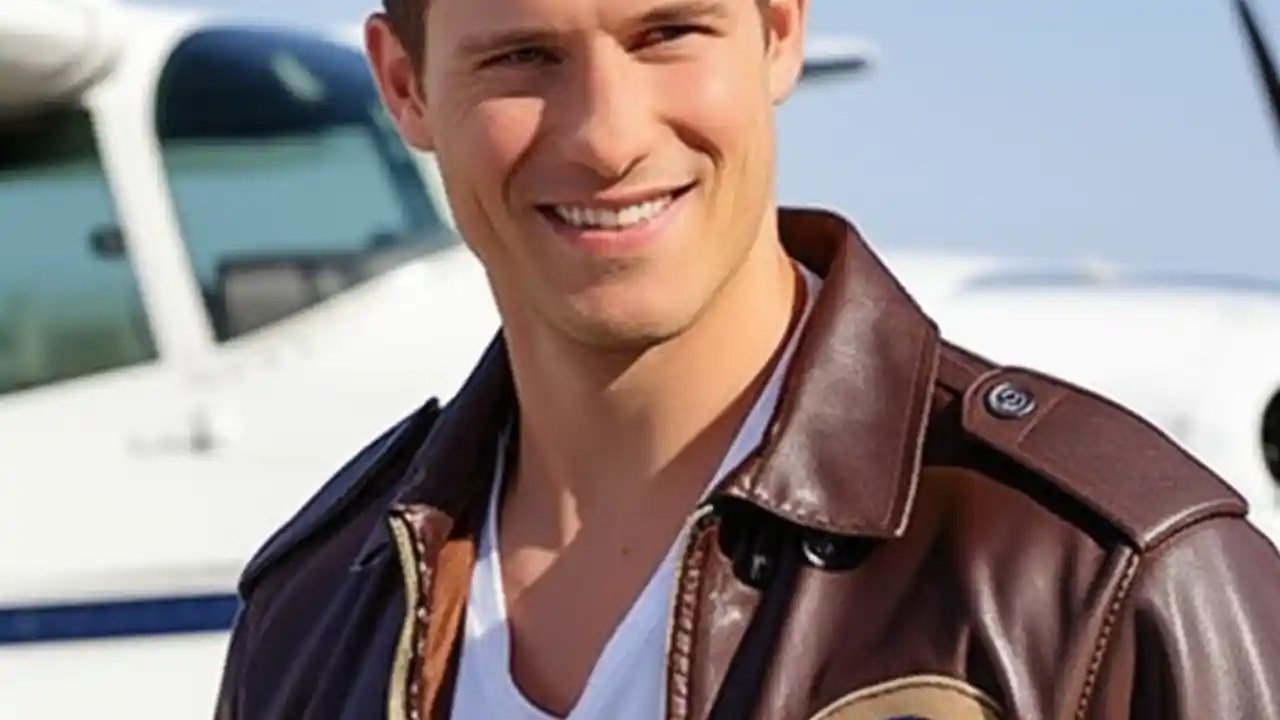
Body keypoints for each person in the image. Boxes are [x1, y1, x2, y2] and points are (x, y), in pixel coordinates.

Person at [214, 0, 1280, 717]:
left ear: (777, 32)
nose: (605, 135)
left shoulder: (1110, 577)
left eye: (668, 32)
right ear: (403, 88)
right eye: (521, 56)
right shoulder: (309, 613)